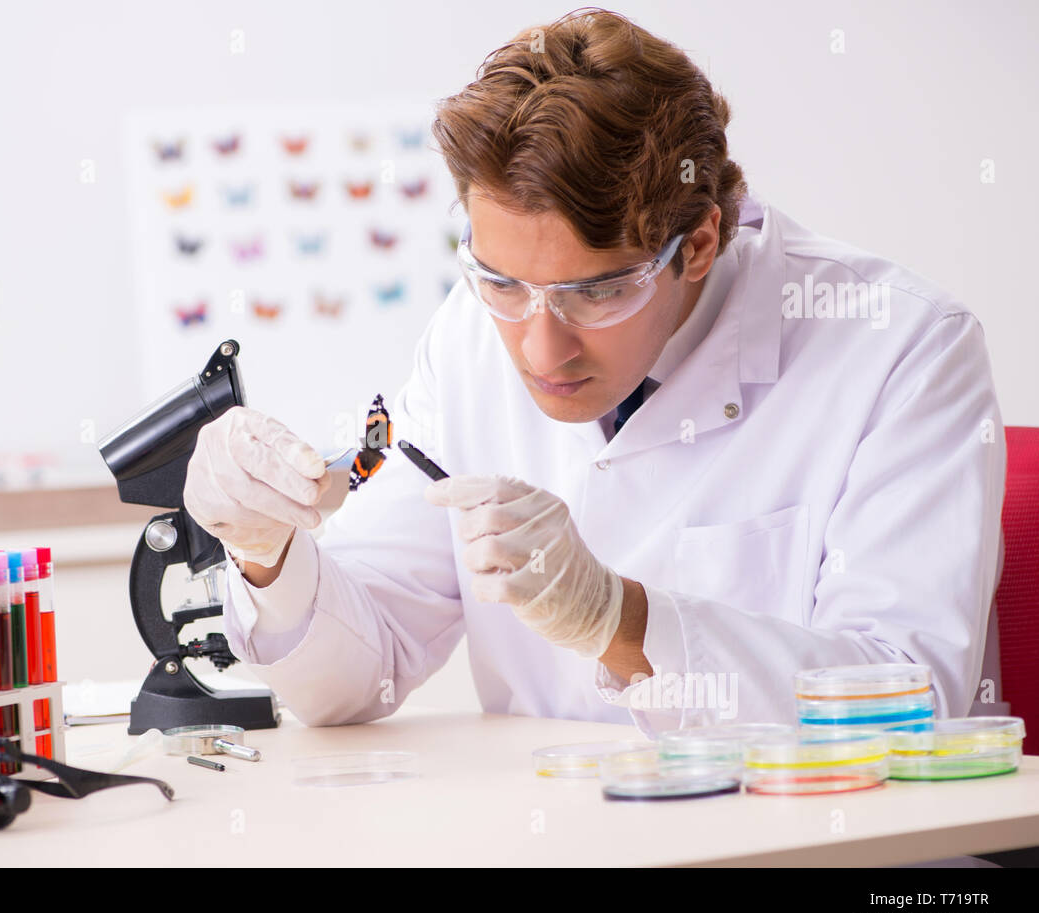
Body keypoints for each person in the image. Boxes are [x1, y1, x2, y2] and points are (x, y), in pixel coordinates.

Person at [183, 9, 1005, 735]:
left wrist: (626, 622)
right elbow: (361, 672)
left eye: (598, 291)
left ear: (702, 243)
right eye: (503, 283)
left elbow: (908, 703)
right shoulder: (469, 334)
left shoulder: (902, 349)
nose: (540, 353)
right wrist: (269, 555)